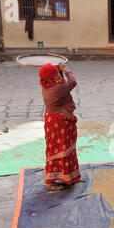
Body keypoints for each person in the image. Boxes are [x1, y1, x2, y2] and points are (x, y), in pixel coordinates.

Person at [39, 62, 82, 191]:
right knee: (61, 150)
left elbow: (60, 81)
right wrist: (66, 69)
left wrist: (59, 71)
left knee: (61, 148)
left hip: (53, 121)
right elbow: (72, 81)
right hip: (59, 122)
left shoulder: (47, 85)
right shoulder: (58, 89)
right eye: (57, 73)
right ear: (52, 78)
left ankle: (68, 177)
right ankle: (51, 181)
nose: (59, 74)